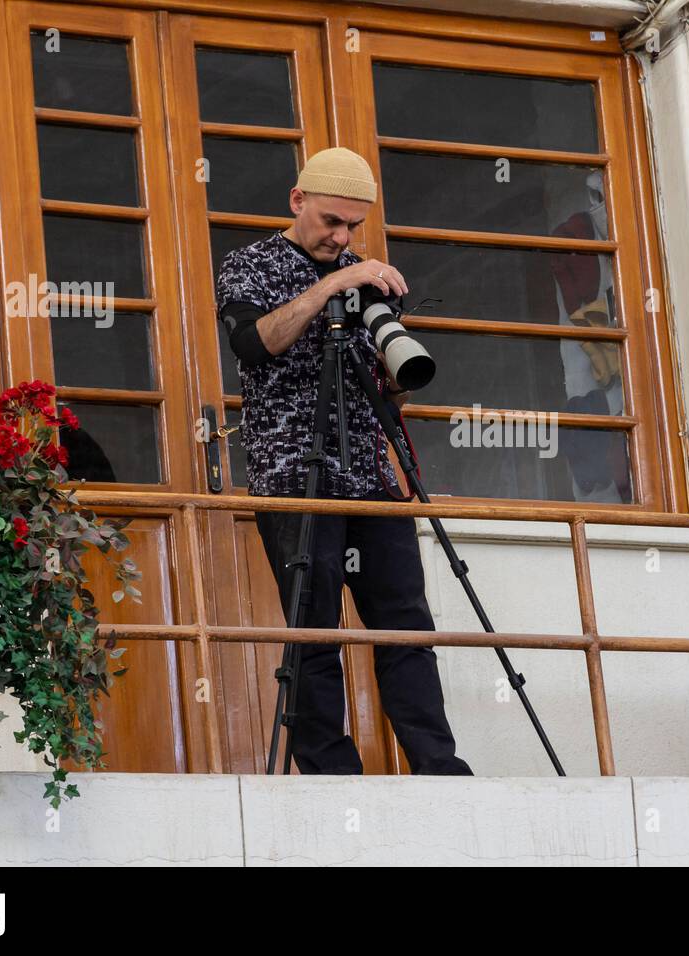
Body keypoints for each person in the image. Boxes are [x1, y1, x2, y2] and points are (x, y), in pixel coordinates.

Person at [214, 147, 472, 775]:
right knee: (314, 625)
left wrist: (398, 369)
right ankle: (331, 774)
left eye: (353, 226)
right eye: (331, 220)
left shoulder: (365, 272)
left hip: (371, 476)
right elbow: (256, 343)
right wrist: (330, 286)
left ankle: (439, 768)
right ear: (297, 201)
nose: (341, 237)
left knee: (406, 626)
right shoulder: (252, 266)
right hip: (294, 475)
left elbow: (386, 389)